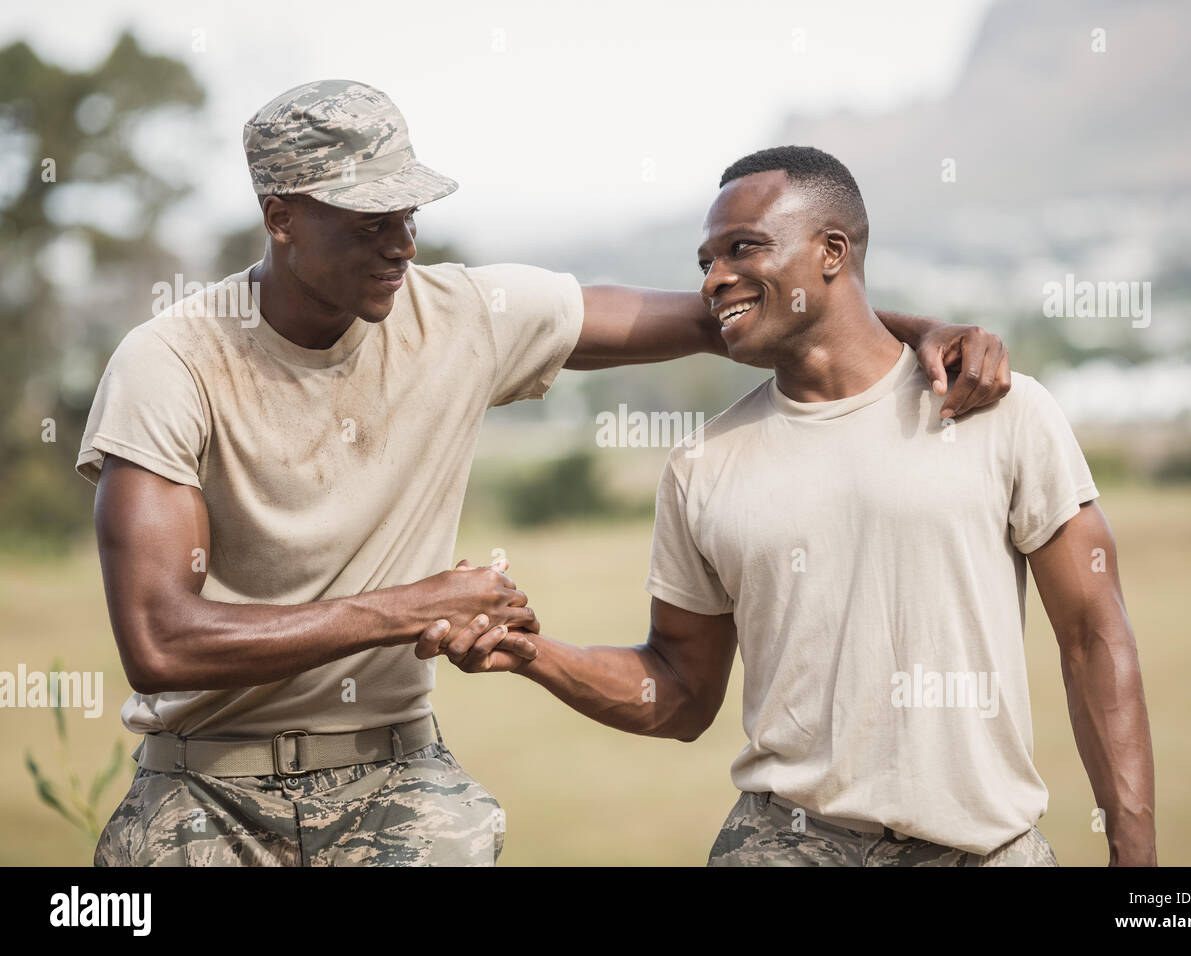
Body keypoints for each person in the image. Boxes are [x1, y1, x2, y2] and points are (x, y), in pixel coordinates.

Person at [78, 79, 1010, 867]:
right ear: (280, 217)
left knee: (457, 838)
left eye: (409, 214)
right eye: (369, 222)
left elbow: (740, 312)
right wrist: (410, 607)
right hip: (201, 776)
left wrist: (924, 333)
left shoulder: (460, 315)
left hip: (392, 769)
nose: (402, 244)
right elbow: (162, 643)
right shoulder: (172, 363)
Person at [446, 146, 1157, 867]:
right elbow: (680, 693)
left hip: (985, 850)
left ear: (831, 252)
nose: (714, 280)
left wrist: (1136, 859)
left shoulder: (998, 409)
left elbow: (1093, 636)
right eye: (706, 262)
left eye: (743, 248)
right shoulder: (701, 464)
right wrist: (533, 653)